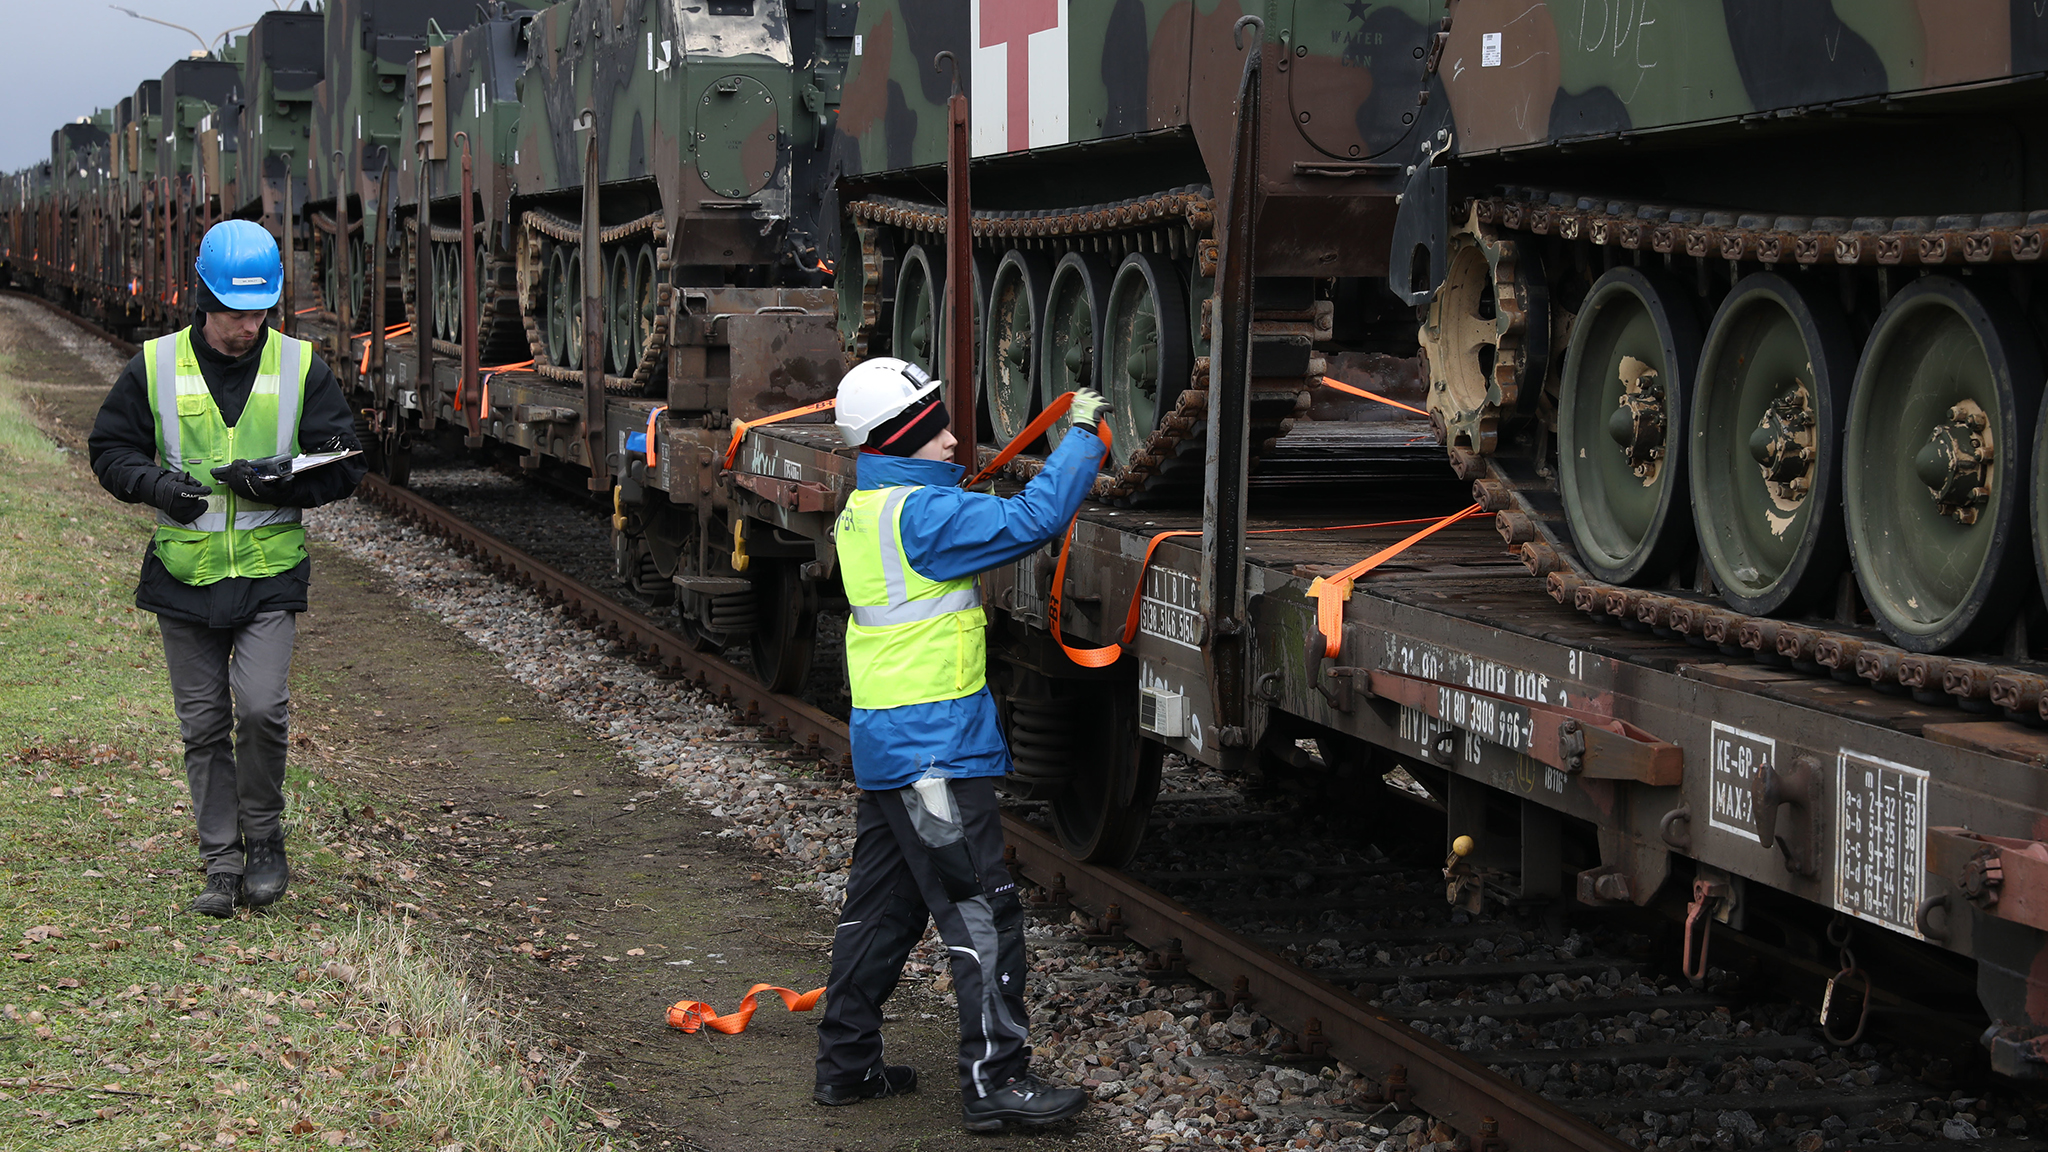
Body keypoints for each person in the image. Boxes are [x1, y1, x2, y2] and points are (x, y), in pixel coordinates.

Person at [814, 356, 1109, 1131]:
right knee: (981, 911)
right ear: (900, 439)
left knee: (880, 908)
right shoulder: (923, 518)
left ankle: (845, 1065)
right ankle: (995, 1085)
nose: (953, 441)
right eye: (934, 428)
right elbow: (1032, 521)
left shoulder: (868, 511)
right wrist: (1083, 437)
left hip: (891, 750)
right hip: (935, 757)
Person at [87, 219, 366, 919]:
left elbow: (344, 459)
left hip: (271, 572)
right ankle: (221, 862)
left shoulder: (302, 367)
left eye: (259, 312)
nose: (249, 326)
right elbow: (109, 449)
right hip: (184, 576)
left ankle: (265, 841)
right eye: (236, 313)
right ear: (203, 300)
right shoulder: (153, 366)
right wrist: (157, 488)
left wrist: (282, 483)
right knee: (203, 726)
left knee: (265, 710)